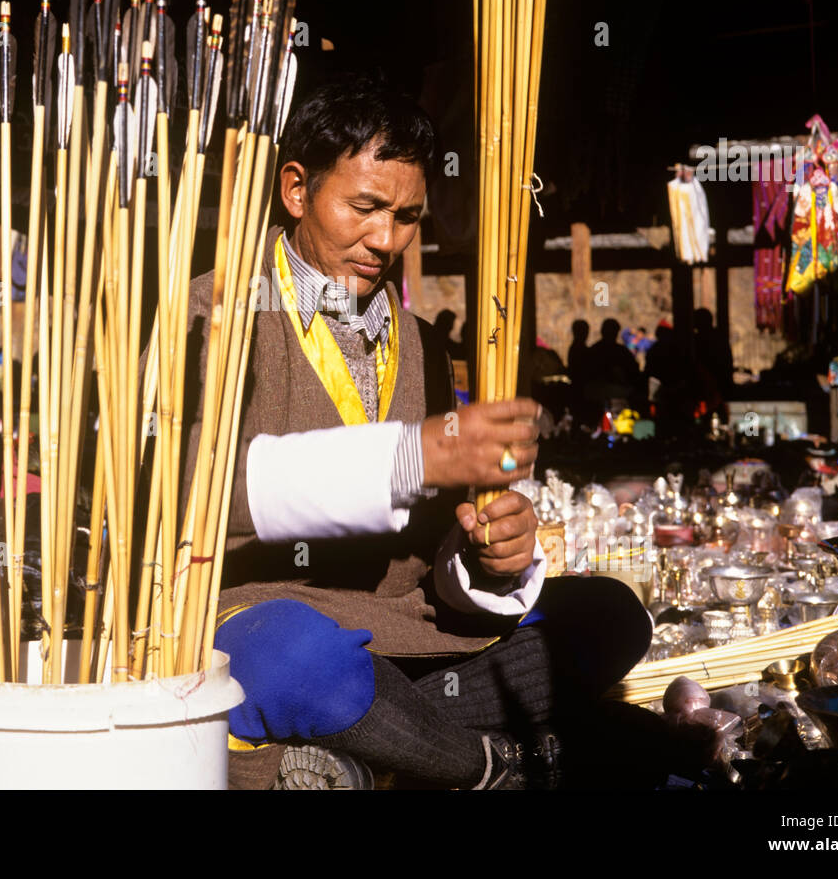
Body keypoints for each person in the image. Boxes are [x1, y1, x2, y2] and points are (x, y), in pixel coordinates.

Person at [177, 78, 706, 790]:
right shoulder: (216, 313)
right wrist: (411, 455)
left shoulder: (422, 344)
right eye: (363, 208)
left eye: (406, 216)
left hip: (403, 642)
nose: (385, 240)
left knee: (611, 614)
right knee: (295, 658)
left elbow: (431, 554)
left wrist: (488, 561)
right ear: (296, 189)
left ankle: (371, 752)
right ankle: (491, 763)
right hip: (254, 622)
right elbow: (193, 489)